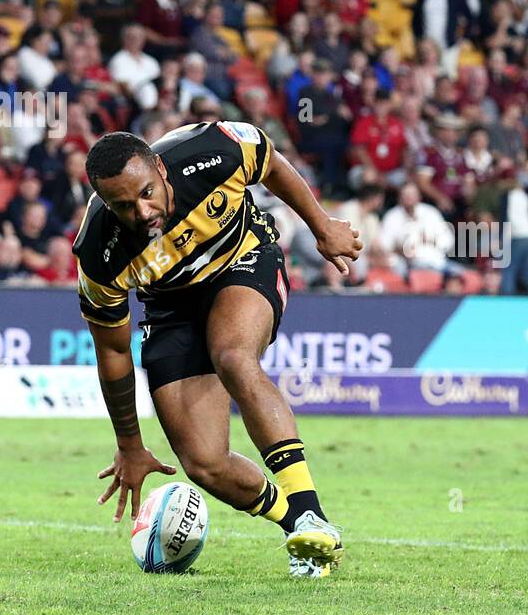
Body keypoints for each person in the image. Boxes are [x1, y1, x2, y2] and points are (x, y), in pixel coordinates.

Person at [75, 123, 361, 578]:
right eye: (124, 205)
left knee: (232, 355)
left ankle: (309, 510)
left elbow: (269, 161)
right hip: (170, 306)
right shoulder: (98, 252)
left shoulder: (210, 149)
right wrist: (129, 444)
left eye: (147, 193)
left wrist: (321, 225)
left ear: (162, 171)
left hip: (243, 257)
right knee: (204, 464)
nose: (143, 211)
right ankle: (303, 532)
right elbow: (112, 352)